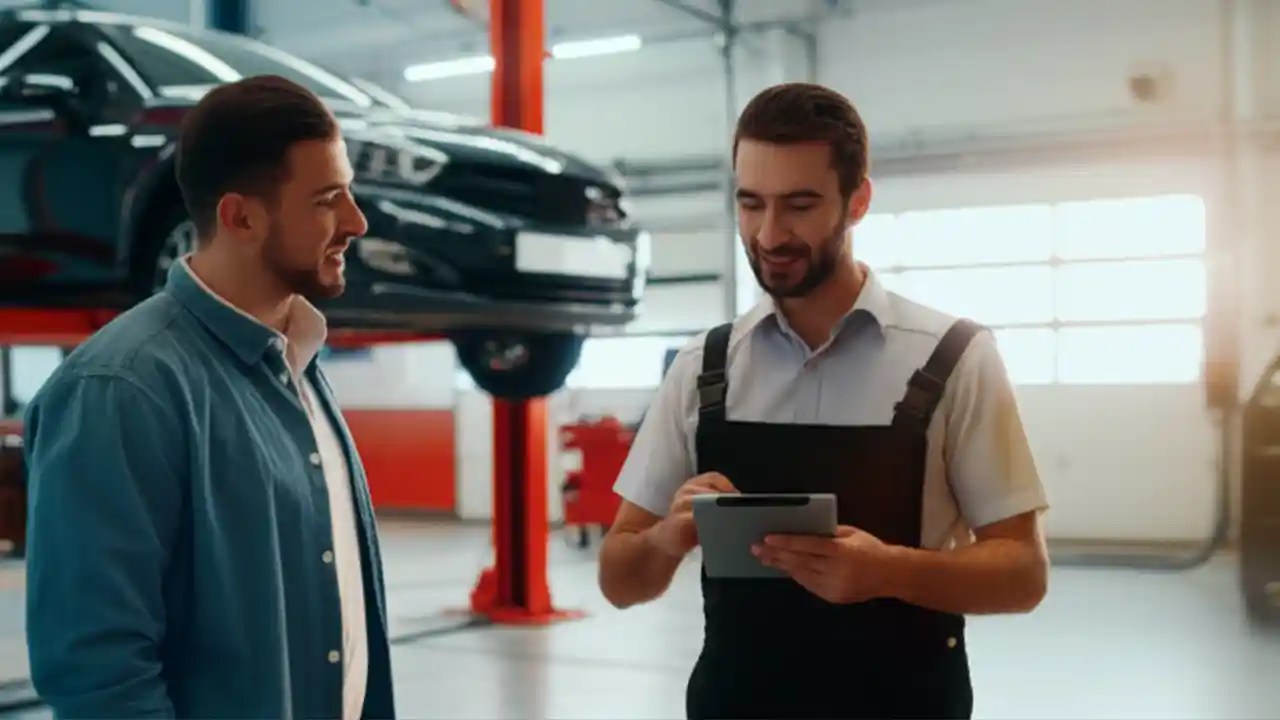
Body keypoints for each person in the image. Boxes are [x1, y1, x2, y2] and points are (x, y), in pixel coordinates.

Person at [598, 82, 1050, 719]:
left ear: (858, 200)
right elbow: (619, 579)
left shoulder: (952, 358)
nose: (769, 233)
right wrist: (668, 539)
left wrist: (888, 571)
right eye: (750, 204)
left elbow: (1023, 573)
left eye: (800, 205)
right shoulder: (705, 367)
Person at [23, 75, 395, 719]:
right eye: (327, 199)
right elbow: (98, 673)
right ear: (241, 216)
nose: (356, 223)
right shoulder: (121, 390)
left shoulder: (298, 359)